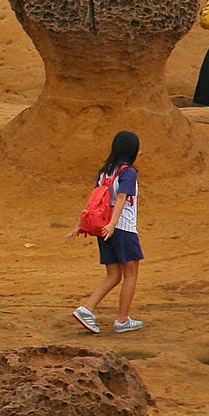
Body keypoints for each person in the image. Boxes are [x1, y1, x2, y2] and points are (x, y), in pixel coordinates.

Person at [67, 130, 145, 334]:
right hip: (122, 228)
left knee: (113, 274)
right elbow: (121, 197)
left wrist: (80, 224)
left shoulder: (104, 172)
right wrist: (113, 223)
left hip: (103, 229)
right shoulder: (128, 172)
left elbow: (93, 200)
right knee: (130, 274)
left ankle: (86, 309)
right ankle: (122, 320)